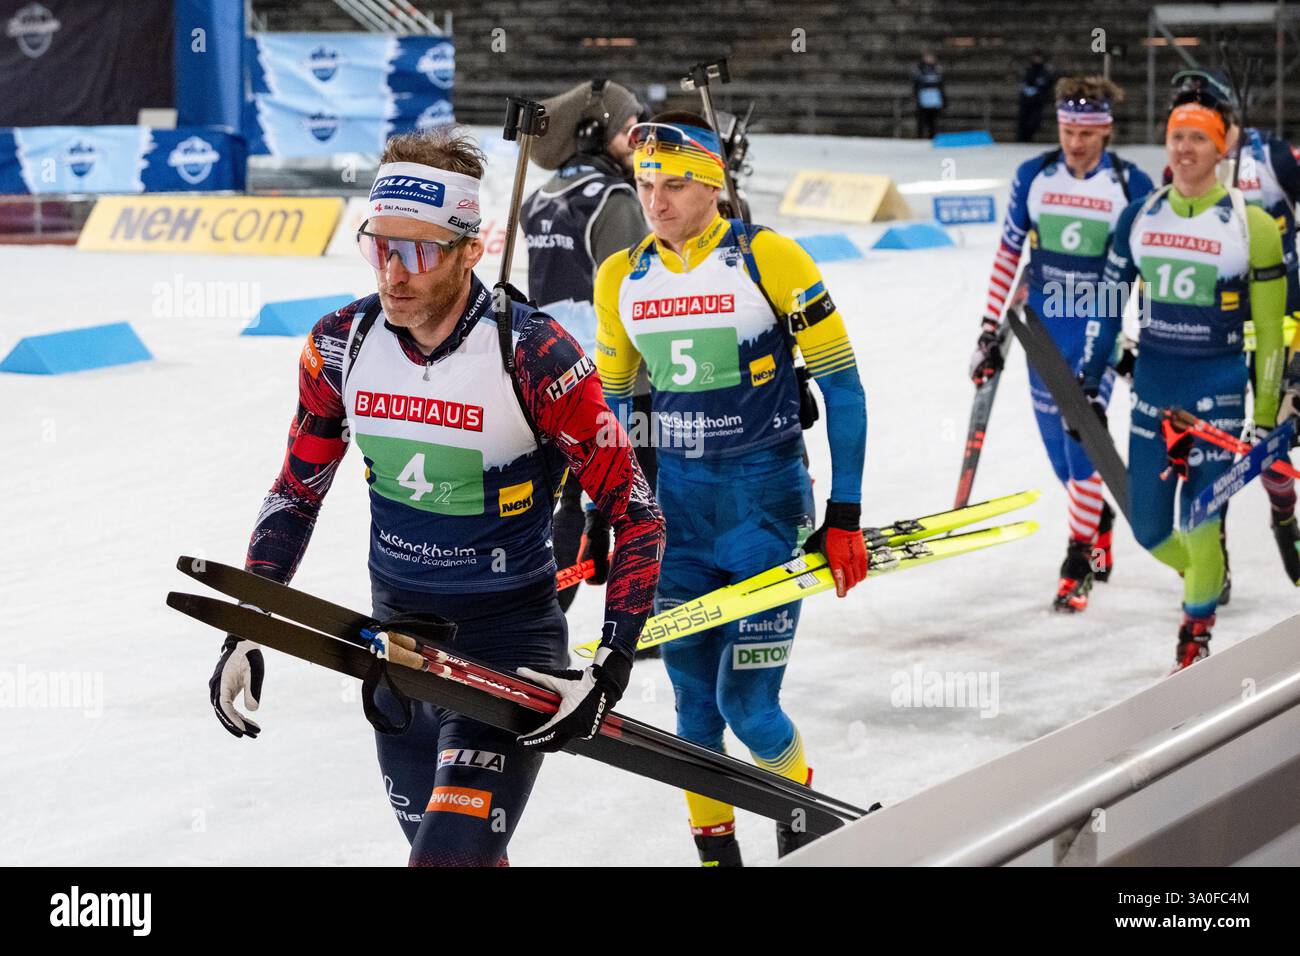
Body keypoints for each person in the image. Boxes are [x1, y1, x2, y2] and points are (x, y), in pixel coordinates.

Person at [209, 127, 665, 866]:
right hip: (400, 656)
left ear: (469, 248)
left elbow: (635, 513)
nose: (394, 273)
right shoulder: (341, 345)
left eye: (418, 252)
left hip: (508, 662)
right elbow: (296, 493)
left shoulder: (536, 354)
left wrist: (609, 668)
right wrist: (249, 622)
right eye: (379, 246)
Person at [592, 112, 868, 866]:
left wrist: (844, 513)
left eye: (676, 183)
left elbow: (843, 384)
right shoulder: (621, 275)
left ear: (713, 182)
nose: (657, 200)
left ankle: (800, 820)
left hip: (763, 505)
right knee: (692, 709)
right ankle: (717, 854)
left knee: (749, 704)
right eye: (646, 184)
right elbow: (616, 411)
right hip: (677, 519)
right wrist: (602, 516)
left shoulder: (768, 257)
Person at [1080, 98, 1285, 670]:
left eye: (1198, 139)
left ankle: (1194, 637)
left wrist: (1264, 413)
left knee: (1201, 518)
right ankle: (1205, 573)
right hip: (1154, 387)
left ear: (1221, 149)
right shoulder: (1141, 216)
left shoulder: (1254, 225)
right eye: (1176, 138)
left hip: (1216, 390)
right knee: (1148, 528)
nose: (1185, 150)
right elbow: (1105, 303)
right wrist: (1090, 384)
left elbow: (1269, 330)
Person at [970, 76, 1154, 612]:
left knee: (1083, 453)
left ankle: (1079, 564)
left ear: (1106, 132)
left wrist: (1144, 339)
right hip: (1043, 334)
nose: (1075, 143)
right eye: (1068, 130)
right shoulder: (1034, 176)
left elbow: (1149, 269)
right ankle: (1099, 528)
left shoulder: (1129, 182)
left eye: (1086, 134)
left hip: (1096, 333)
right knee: (1062, 462)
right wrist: (988, 331)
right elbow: (1008, 256)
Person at [520, 79, 657, 614]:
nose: (639, 143)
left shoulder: (541, 199)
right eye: (630, 131)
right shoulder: (614, 199)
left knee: (571, 496)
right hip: (618, 381)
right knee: (632, 499)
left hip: (554, 376)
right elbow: (633, 301)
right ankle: (637, 617)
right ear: (596, 133)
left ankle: (543, 617)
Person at [1168, 68, 1300, 587]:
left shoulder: (1273, 157)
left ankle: (1283, 515)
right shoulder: (1181, 170)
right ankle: (1215, 556)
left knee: (1275, 444)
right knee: (1211, 450)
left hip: (1282, 323)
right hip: (1214, 333)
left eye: (1206, 113)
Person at [1017, 50, 1054, 142]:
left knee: (1034, 121)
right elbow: (1024, 83)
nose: (1036, 59)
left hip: (1038, 101)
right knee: (1023, 120)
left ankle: (1030, 137)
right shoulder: (1029, 71)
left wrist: (1038, 91)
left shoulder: (1045, 72)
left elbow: (1047, 85)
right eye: (1035, 57)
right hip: (1026, 101)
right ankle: (1022, 139)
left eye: (1038, 57)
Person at [913, 50, 945, 139]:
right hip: (923, 97)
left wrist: (943, 99)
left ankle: (932, 137)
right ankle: (920, 137)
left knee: (933, 120)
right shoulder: (919, 68)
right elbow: (916, 84)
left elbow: (941, 85)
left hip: (934, 98)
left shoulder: (937, 69)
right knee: (922, 120)